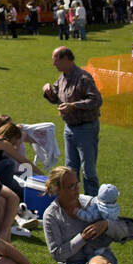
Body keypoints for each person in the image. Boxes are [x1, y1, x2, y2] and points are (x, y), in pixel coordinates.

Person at [42, 166, 133, 264]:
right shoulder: (51, 215)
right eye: (71, 186)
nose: (77, 189)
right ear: (58, 190)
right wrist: (82, 238)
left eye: (77, 184)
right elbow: (57, 254)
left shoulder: (91, 203)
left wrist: (106, 225)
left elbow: (123, 232)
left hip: (98, 257)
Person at [42, 46, 102, 196]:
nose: (53, 63)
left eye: (56, 60)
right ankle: (72, 200)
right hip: (69, 129)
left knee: (88, 170)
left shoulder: (83, 78)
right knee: (71, 169)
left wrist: (73, 106)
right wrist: (48, 91)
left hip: (86, 129)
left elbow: (96, 100)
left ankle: (91, 202)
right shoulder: (62, 78)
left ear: (66, 59)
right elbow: (56, 97)